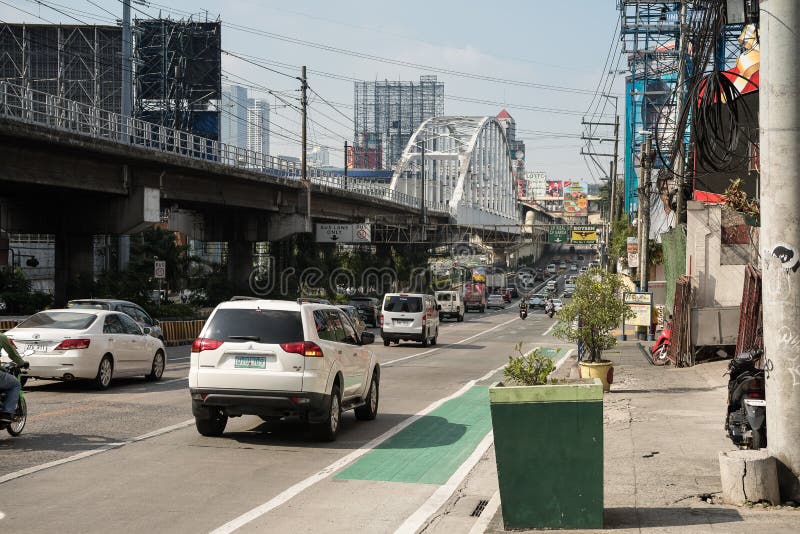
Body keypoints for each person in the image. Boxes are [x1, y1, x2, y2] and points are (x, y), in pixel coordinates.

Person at [0, 333, 27, 423]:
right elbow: (13, 354)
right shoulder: (1, 337)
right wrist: (21, 363)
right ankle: (7, 413)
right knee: (15, 384)